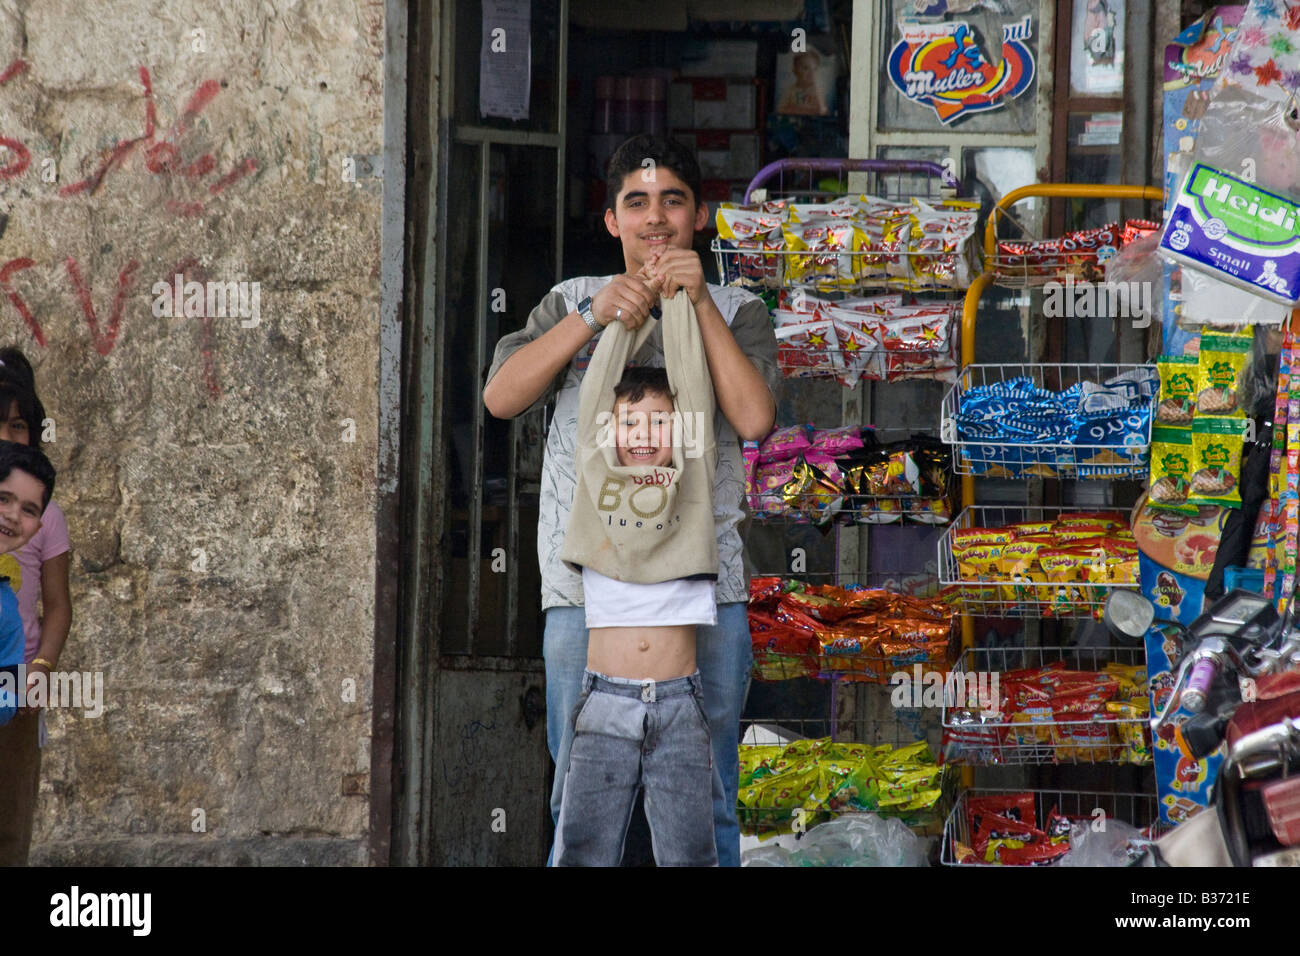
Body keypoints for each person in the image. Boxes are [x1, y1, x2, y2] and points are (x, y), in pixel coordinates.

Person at [483, 134, 778, 866]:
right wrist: (591, 320)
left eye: (673, 200)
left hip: (705, 591)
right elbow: (499, 398)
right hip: (586, 588)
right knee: (580, 801)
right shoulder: (568, 301)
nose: (655, 219)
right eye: (636, 203)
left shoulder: (740, 309)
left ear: (700, 215)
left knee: (708, 801)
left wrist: (699, 301)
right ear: (611, 220)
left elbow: (754, 418)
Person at [554, 289, 720, 865]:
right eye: (630, 422)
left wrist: (674, 301)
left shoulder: (690, 480)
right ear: (609, 430)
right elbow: (597, 394)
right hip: (604, 702)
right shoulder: (597, 483)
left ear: (682, 432)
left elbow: (694, 392)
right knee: (584, 849)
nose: (644, 433)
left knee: (690, 852)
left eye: (659, 421)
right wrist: (627, 309)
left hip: (681, 703)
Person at [0, 350, 71, 866]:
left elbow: (58, 605)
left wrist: (40, 670)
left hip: (15, 683)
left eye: (17, 425)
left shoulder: (44, 516)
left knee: (9, 818)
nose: (5, 436)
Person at [0, 441, 57, 732]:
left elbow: (6, 680)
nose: (12, 515)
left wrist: (16, 697)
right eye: (4, 498)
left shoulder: (7, 604)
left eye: (29, 510)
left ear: (38, 527)